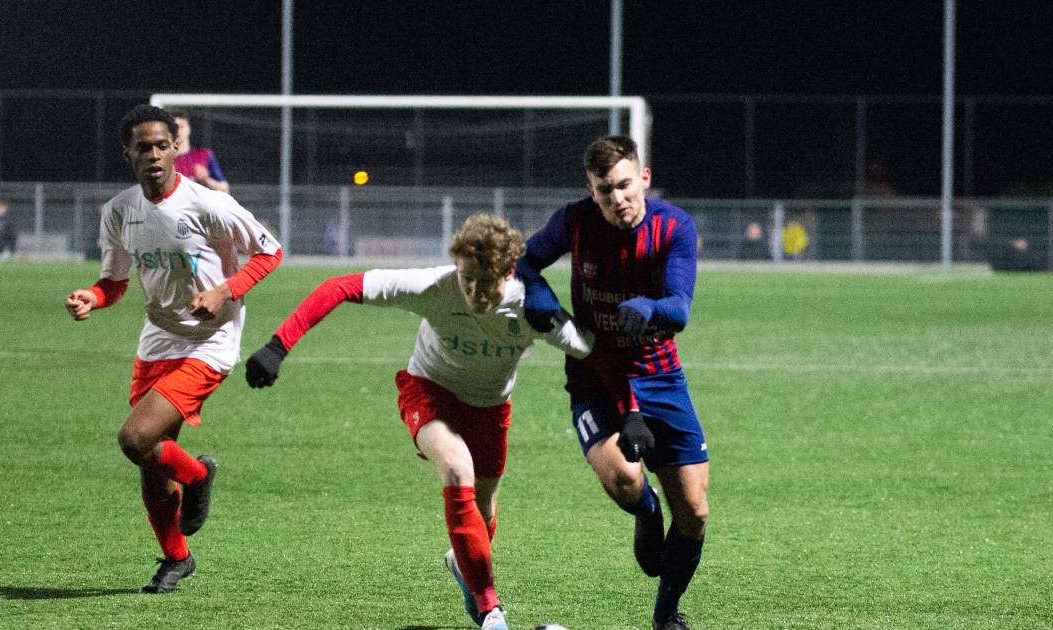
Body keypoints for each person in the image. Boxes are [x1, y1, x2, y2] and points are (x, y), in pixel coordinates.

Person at [243, 213, 593, 630]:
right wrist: (277, 345)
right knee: (456, 467)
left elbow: (589, 349)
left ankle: (462, 565)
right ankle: (491, 611)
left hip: (491, 406)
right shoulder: (435, 286)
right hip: (429, 392)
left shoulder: (527, 306)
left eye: (486, 281)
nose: (474, 292)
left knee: (483, 510)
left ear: (508, 271)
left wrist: (627, 408)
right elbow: (338, 287)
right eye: (467, 280)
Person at [64, 104, 282, 594]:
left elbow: (271, 251)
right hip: (158, 336)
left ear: (176, 149)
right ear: (130, 155)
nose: (155, 155)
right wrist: (92, 298)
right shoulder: (119, 211)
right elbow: (114, 282)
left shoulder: (209, 205)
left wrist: (224, 291)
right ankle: (176, 559)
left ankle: (199, 475)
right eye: (144, 147)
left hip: (211, 340)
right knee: (151, 457)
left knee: (135, 439)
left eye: (163, 145)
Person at [514, 135, 709, 630]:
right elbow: (524, 262)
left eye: (625, 185)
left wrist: (650, 308)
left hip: (660, 375)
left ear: (643, 178)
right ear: (591, 189)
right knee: (625, 478)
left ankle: (665, 617)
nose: (617, 199)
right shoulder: (574, 221)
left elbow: (680, 309)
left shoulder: (675, 227)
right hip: (594, 373)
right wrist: (539, 296)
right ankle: (646, 511)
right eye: (605, 190)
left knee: (695, 512)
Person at [169, 109, 230, 193]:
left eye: (181, 126)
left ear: (189, 128)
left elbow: (224, 188)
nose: (178, 131)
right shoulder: (165, 158)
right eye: (174, 127)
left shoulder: (204, 154)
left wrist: (206, 180)